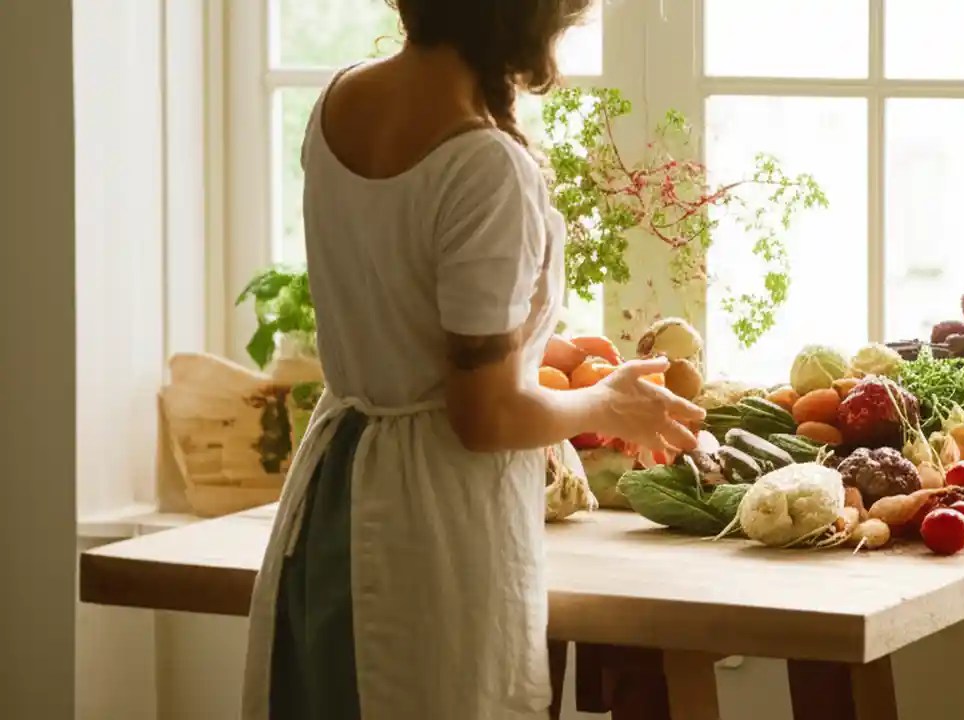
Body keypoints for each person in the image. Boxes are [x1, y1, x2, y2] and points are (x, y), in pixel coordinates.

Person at [239, 2, 706, 718]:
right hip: (430, 525)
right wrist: (607, 405)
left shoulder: (341, 100)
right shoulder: (484, 163)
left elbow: (400, 317)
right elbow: (483, 415)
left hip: (333, 489)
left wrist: (541, 351)